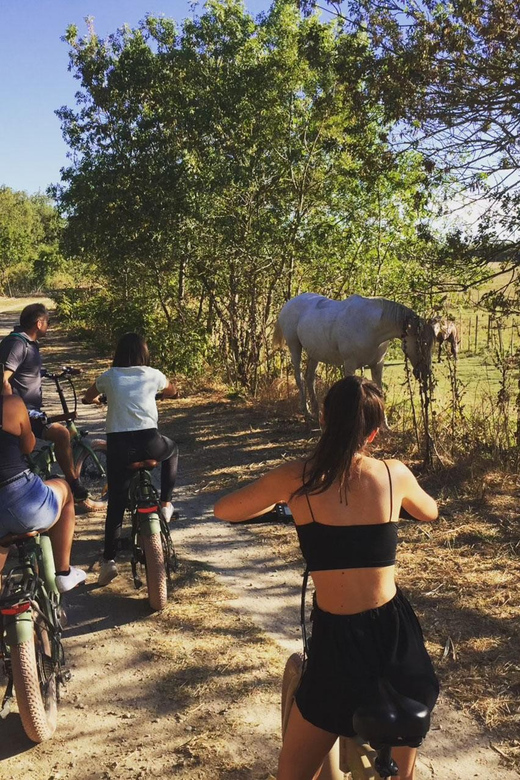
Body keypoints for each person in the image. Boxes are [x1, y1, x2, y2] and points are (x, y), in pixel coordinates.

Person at [213, 376, 439, 780]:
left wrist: (281, 506)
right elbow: (430, 512)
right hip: (395, 634)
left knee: (294, 771)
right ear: (373, 432)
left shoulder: (296, 478)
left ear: (323, 419)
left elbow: (225, 510)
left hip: (340, 641)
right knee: (406, 730)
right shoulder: (394, 474)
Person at [82, 332, 179, 586]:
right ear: (143, 353)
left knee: (116, 504)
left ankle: (109, 562)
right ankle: (166, 503)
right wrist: (164, 394)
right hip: (151, 444)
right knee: (173, 449)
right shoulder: (153, 374)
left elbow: (87, 397)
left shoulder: (109, 377)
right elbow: (172, 391)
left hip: (119, 448)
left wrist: (100, 399)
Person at [0, 302, 88, 500]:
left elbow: (26, 371)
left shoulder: (28, 344)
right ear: (39, 323)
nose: (49, 326)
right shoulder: (17, 344)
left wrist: (52, 373)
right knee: (62, 434)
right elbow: (3, 377)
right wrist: (8, 407)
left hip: (25, 409)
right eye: (47, 322)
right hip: (20, 411)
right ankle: (73, 484)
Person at [0, 393, 86, 593]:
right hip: (24, 500)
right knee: (65, 489)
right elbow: (28, 446)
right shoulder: (11, 403)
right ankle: (64, 572)